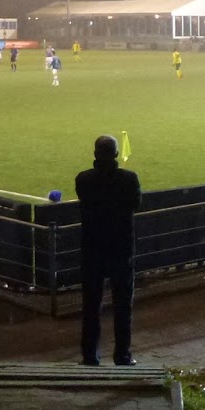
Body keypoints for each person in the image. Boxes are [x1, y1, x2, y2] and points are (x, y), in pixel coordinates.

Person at [75, 134, 142, 366]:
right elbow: (136, 203)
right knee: (123, 306)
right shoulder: (129, 179)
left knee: (91, 306)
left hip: (93, 250)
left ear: (95, 154)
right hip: (121, 251)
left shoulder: (83, 179)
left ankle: (90, 355)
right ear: (116, 154)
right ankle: (122, 355)